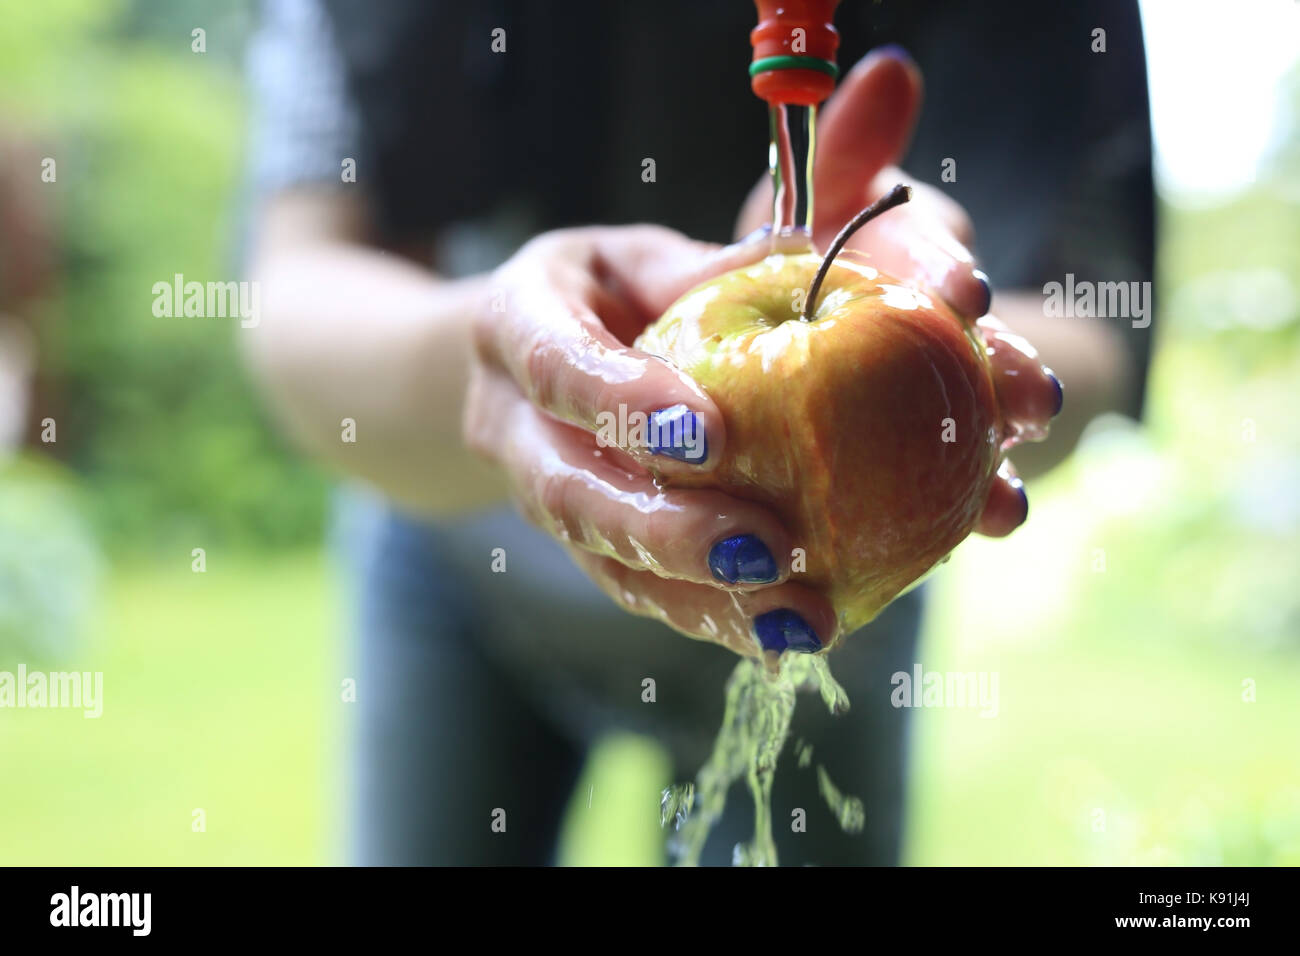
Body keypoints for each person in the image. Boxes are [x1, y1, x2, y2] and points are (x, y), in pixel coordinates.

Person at [244, 0, 1153, 865]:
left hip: (826, 593)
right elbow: (298, 287)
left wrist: (935, 352)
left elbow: (1093, 324)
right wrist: (503, 370)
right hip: (461, 547)